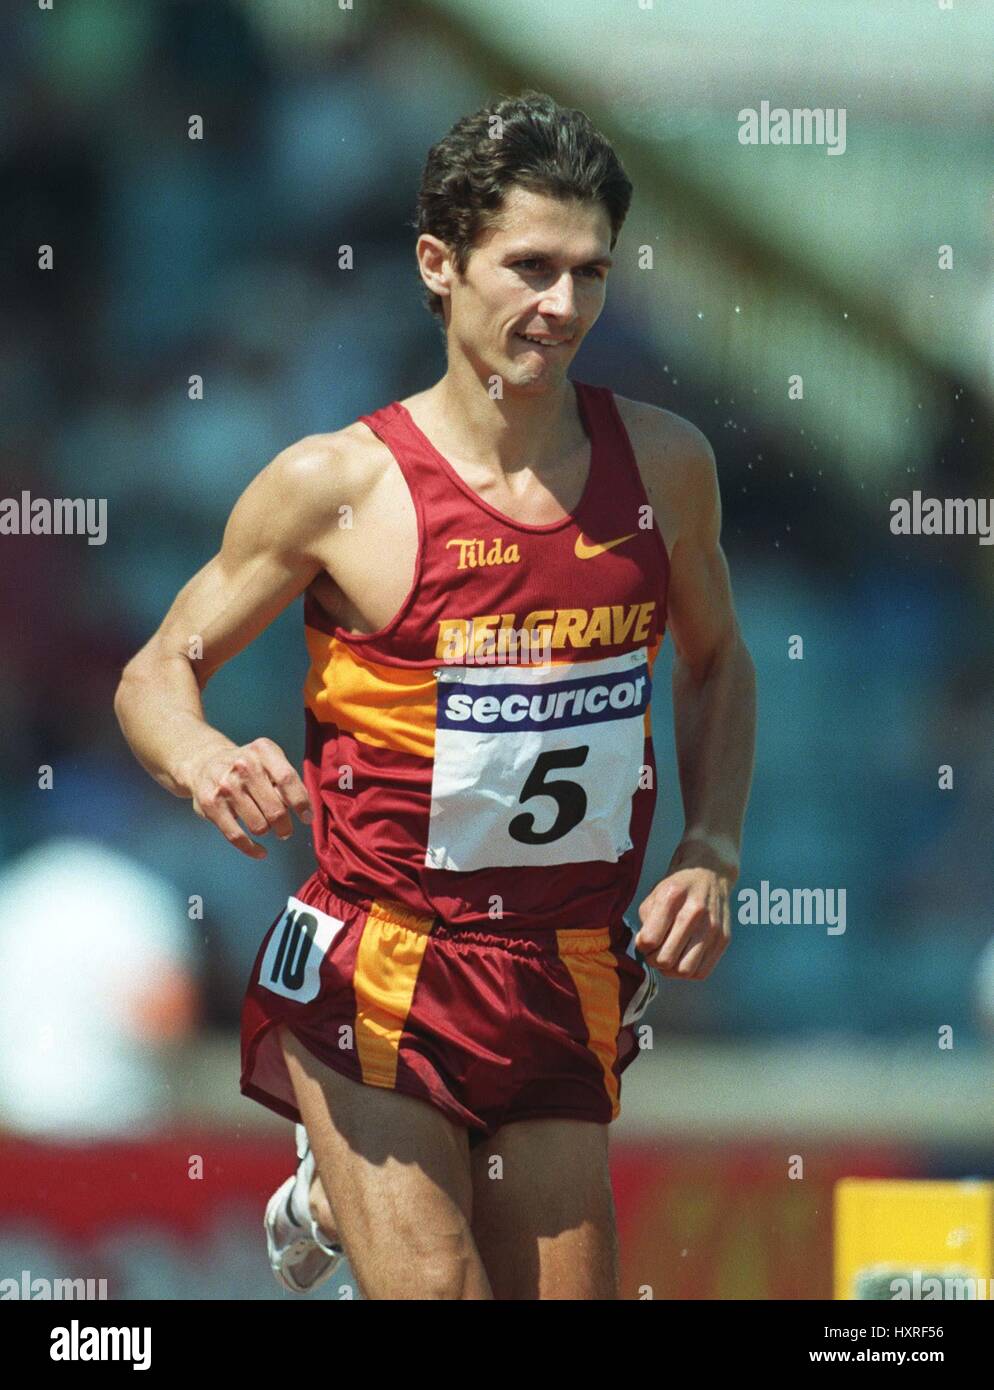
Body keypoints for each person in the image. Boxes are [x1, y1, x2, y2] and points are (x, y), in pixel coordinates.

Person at [114, 91, 756, 1300]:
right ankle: (343, 1175)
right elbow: (158, 670)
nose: (560, 307)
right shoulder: (337, 484)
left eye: (589, 274)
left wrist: (712, 843)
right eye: (528, 267)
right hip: (380, 955)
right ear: (438, 265)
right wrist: (202, 759)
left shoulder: (664, 467)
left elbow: (716, 661)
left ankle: (322, 1199)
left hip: (564, 963)